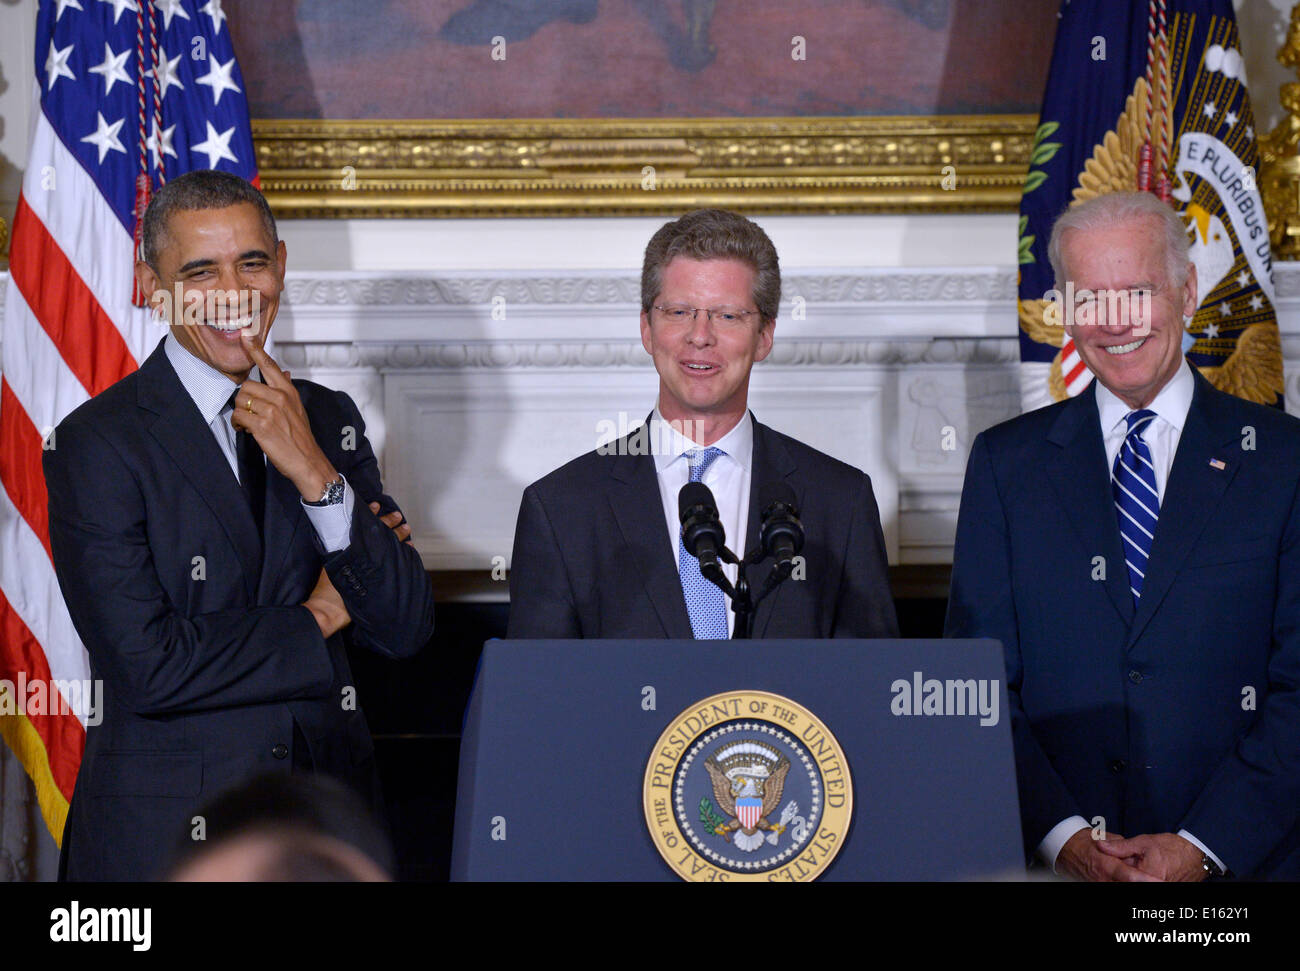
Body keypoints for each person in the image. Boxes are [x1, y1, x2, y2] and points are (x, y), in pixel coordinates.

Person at [43, 169, 435, 881]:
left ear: (280, 266)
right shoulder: (95, 443)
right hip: (161, 843)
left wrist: (315, 470)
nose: (234, 289)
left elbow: (402, 626)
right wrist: (316, 615)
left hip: (325, 832)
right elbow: (149, 667)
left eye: (252, 261)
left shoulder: (329, 418)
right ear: (151, 284)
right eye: (200, 270)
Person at [946, 190, 1300, 880]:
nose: (1114, 322)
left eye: (1136, 290)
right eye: (1089, 298)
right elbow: (976, 687)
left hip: (1248, 869)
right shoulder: (1004, 464)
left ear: (1187, 291)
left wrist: (1202, 847)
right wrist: (1067, 839)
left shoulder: (1283, 462)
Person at [508, 208, 897, 640]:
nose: (700, 335)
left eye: (727, 316)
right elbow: (539, 696)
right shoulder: (561, 510)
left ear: (764, 335)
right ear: (647, 329)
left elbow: (868, 689)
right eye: (678, 312)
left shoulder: (840, 503)